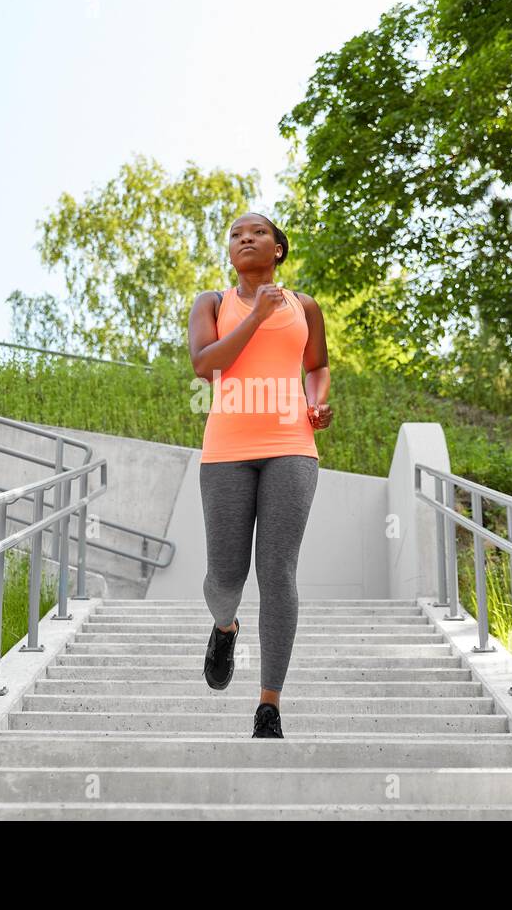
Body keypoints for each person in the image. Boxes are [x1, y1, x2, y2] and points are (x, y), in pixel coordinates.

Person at [186, 211, 332, 738]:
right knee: (225, 579)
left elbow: (316, 366)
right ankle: (225, 627)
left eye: (258, 232)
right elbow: (207, 365)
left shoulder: (305, 307)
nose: (245, 238)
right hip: (226, 449)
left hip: (292, 446)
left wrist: (317, 403)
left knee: (278, 574)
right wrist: (256, 315)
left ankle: (268, 705)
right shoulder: (214, 303)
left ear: (278, 249)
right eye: (236, 235)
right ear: (231, 252)